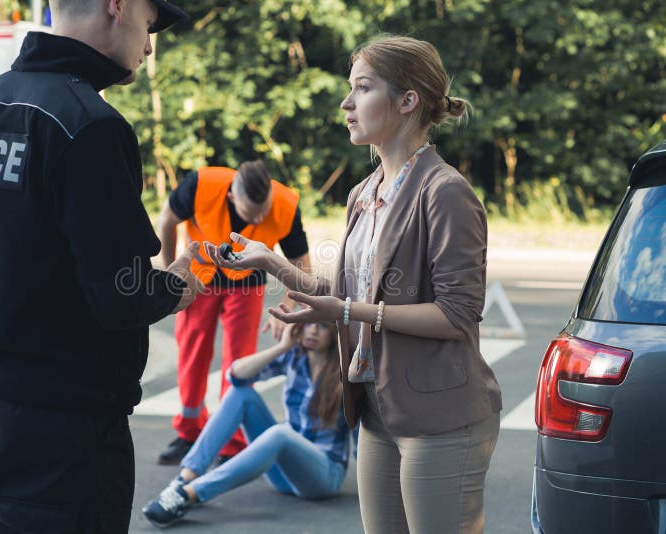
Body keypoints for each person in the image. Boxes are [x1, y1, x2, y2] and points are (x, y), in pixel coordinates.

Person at [206, 35, 502, 534]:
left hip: (442, 416)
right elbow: (348, 297)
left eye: (362, 88)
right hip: (377, 410)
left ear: (407, 101)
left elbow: (456, 316)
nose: (346, 103)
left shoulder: (446, 192)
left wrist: (344, 313)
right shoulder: (363, 193)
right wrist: (272, 263)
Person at [0, 1, 201, 532]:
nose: (149, 46)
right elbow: (121, 295)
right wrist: (177, 284)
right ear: (117, 8)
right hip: (67, 423)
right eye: (149, 28)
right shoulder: (91, 124)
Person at [156, 160, 312, 464]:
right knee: (192, 351)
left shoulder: (284, 204)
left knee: (239, 361)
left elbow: (300, 264)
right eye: (251, 214)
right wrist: (170, 278)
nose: (260, 218)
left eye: (264, 212)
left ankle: (230, 441)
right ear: (231, 197)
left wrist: (290, 304)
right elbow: (166, 220)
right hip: (199, 277)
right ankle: (189, 432)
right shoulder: (201, 185)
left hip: (247, 281)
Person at [142, 321, 352, 528]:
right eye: (308, 323)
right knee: (240, 393)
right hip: (283, 475)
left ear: (336, 332)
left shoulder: (347, 375)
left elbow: (363, 437)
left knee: (280, 434)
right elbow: (236, 375)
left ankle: (189, 495)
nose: (313, 329)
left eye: (323, 326)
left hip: (322, 478)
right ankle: (184, 479)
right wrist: (281, 347)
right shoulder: (294, 357)